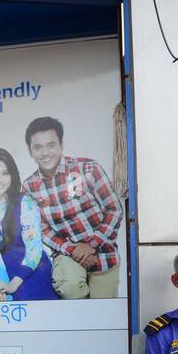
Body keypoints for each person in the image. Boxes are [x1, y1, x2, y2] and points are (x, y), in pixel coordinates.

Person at [22, 116, 123, 300]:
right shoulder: (29, 186)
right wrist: (73, 250)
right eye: (38, 147)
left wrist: (91, 245)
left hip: (103, 253)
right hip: (67, 253)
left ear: (61, 144)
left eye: (51, 145)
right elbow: (41, 229)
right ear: (30, 151)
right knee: (69, 288)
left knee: (103, 313)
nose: (45, 152)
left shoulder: (87, 168)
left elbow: (114, 209)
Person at [0, 148, 55, 302]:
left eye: (5, 173)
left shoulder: (25, 203)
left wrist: (12, 285)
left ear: (12, 176)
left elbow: (34, 251)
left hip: (29, 273)